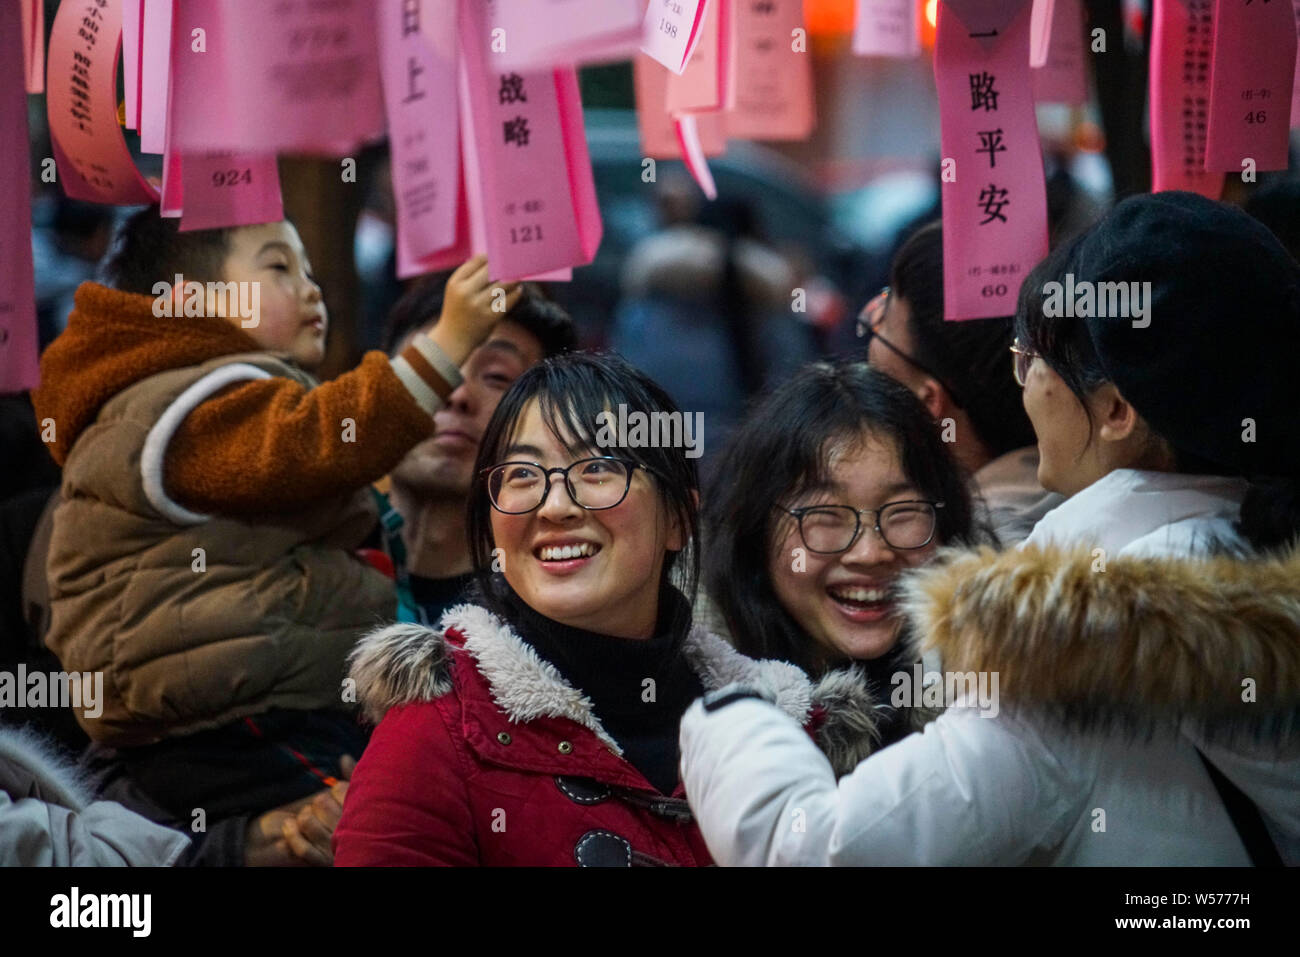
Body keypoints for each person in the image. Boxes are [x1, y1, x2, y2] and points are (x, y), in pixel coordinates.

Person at [679, 191, 1300, 866]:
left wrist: (726, 715)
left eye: (1032, 359)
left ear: (1117, 409)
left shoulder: (1071, 648)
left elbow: (810, 848)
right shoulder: (1263, 577)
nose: (1024, 386)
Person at [30, 207, 516, 865]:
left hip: (235, 716)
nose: (310, 287)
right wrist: (450, 340)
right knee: (398, 821)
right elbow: (323, 440)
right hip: (231, 718)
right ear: (190, 302)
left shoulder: (180, 398)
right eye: (279, 267)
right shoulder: (196, 404)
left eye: (309, 268)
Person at [333, 353, 879, 866]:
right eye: (523, 474)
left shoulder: (785, 731)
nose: (556, 506)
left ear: (679, 520)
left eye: (597, 468)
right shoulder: (435, 728)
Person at [703, 361, 984, 752]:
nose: (870, 552)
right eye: (825, 516)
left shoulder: (994, 709)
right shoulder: (701, 708)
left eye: (903, 512)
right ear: (755, 532)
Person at [375, 279, 576, 625]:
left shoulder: (553, 618)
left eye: (497, 376)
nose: (457, 394)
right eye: (429, 367)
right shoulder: (308, 562)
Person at [861, 222, 1062, 544]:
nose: (872, 317)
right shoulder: (1087, 497)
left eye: (886, 317)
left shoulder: (956, 552)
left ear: (927, 402)